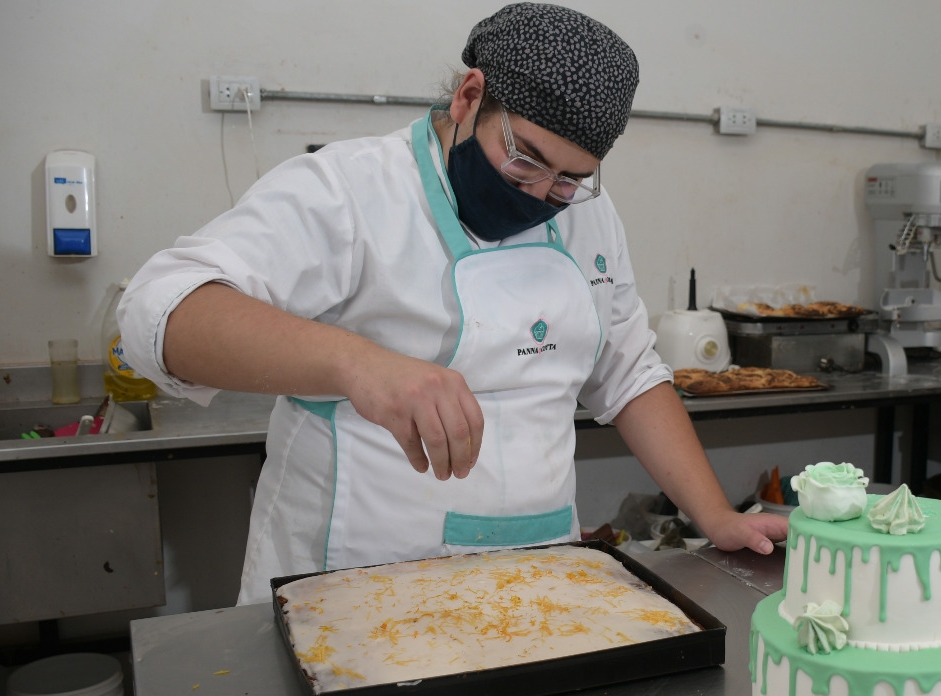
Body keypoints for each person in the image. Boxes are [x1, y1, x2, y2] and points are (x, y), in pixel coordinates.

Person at [120, 3, 786, 605]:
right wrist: (360, 364)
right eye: (524, 161)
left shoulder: (589, 215)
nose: (540, 192)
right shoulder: (350, 191)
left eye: (568, 180)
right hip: (354, 585)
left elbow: (630, 373)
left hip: (534, 579)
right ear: (470, 96)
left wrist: (717, 516)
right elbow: (162, 314)